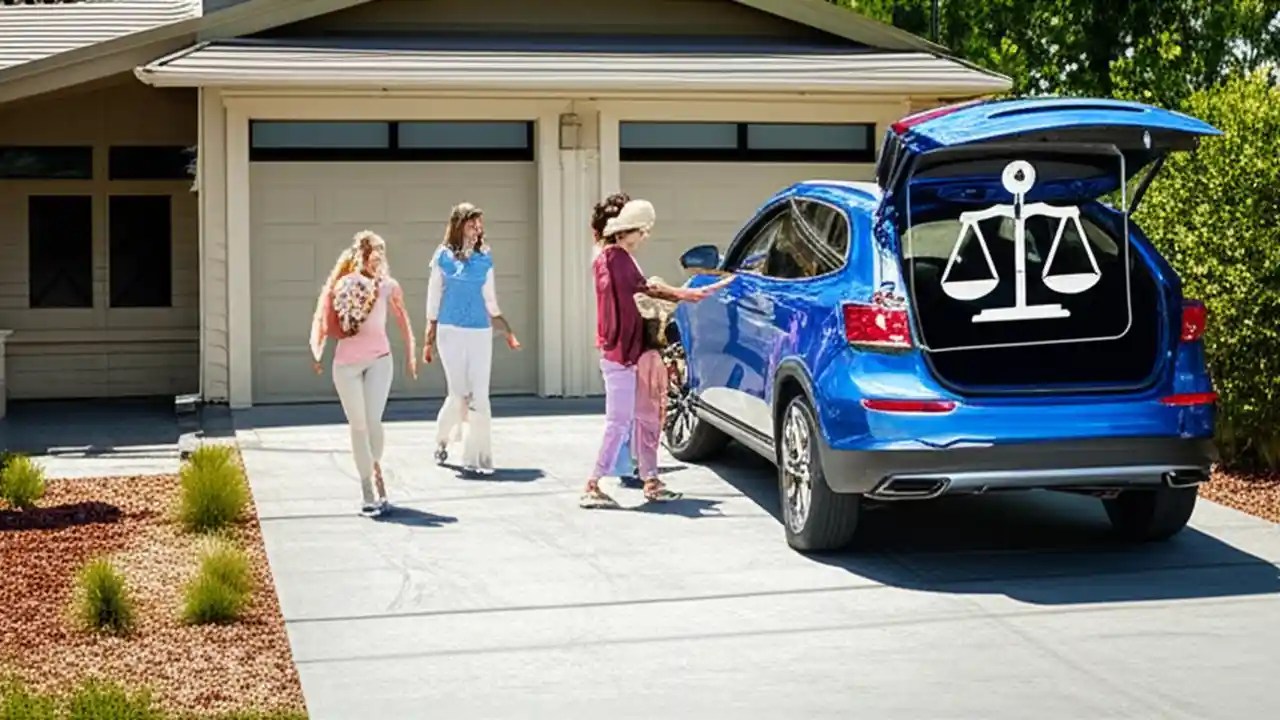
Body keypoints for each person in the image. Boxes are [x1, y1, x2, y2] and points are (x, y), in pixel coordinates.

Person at [581, 197, 733, 509]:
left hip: (631, 352)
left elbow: (638, 292)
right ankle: (593, 483)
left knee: (646, 417)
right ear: (624, 231)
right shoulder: (615, 257)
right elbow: (643, 290)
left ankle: (650, 480)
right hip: (622, 354)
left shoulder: (610, 257)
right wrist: (686, 294)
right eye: (641, 230)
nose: (645, 237)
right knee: (621, 420)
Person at [309, 230, 416, 518]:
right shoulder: (343, 285)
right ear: (362, 255)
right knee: (358, 426)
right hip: (346, 366)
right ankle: (368, 487)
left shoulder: (388, 286)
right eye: (373, 253)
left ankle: (374, 468)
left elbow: (402, 318)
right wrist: (317, 352)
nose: (378, 259)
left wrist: (411, 353)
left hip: (380, 360)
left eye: (381, 253)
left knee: (373, 421)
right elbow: (325, 319)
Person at [423, 202, 521, 476]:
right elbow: (434, 297)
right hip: (450, 330)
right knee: (458, 393)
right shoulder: (442, 256)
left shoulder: (485, 257)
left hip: (479, 331)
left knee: (479, 394)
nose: (477, 229)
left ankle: (476, 456)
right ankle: (442, 439)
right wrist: (428, 337)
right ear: (459, 226)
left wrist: (507, 330)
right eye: (471, 224)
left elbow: (491, 301)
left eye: (479, 225)